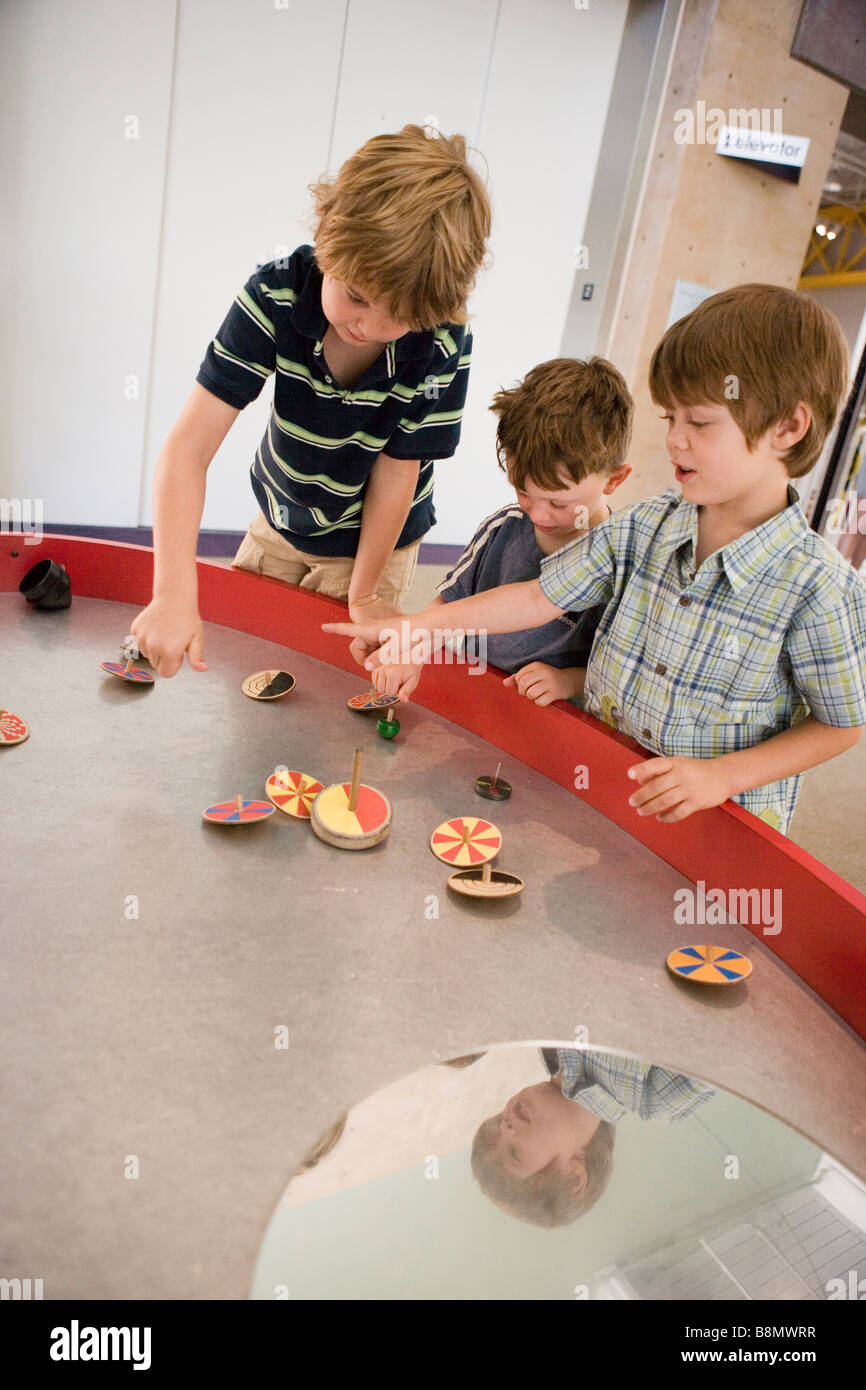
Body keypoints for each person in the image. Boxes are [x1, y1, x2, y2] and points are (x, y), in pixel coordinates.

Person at [326, 284, 866, 833]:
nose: (675, 441)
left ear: (787, 428)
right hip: (599, 787)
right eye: (669, 419)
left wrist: (722, 777)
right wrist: (416, 630)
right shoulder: (645, 526)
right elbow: (538, 597)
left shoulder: (821, 588)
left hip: (715, 822)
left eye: (698, 423)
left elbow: (840, 726)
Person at [131, 124, 491, 677]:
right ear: (327, 238)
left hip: (375, 548)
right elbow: (189, 448)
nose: (367, 327)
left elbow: (398, 475)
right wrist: (174, 591)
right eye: (356, 296)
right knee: (250, 671)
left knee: (333, 690)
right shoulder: (276, 292)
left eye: (395, 318)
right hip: (279, 522)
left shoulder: (442, 341)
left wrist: (365, 592)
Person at [352, 357, 633, 705]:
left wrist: (570, 681)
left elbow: (623, 671)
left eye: (558, 504)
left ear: (615, 479)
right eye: (523, 492)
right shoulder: (504, 527)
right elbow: (446, 607)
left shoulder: (620, 564)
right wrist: (412, 649)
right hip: (474, 694)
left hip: (550, 716)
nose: (538, 514)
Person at [471, 1047, 716, 1228]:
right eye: (515, 1153)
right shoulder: (655, 1099)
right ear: (574, 1176)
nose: (506, 1127)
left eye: (496, 1124)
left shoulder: (544, 1029)